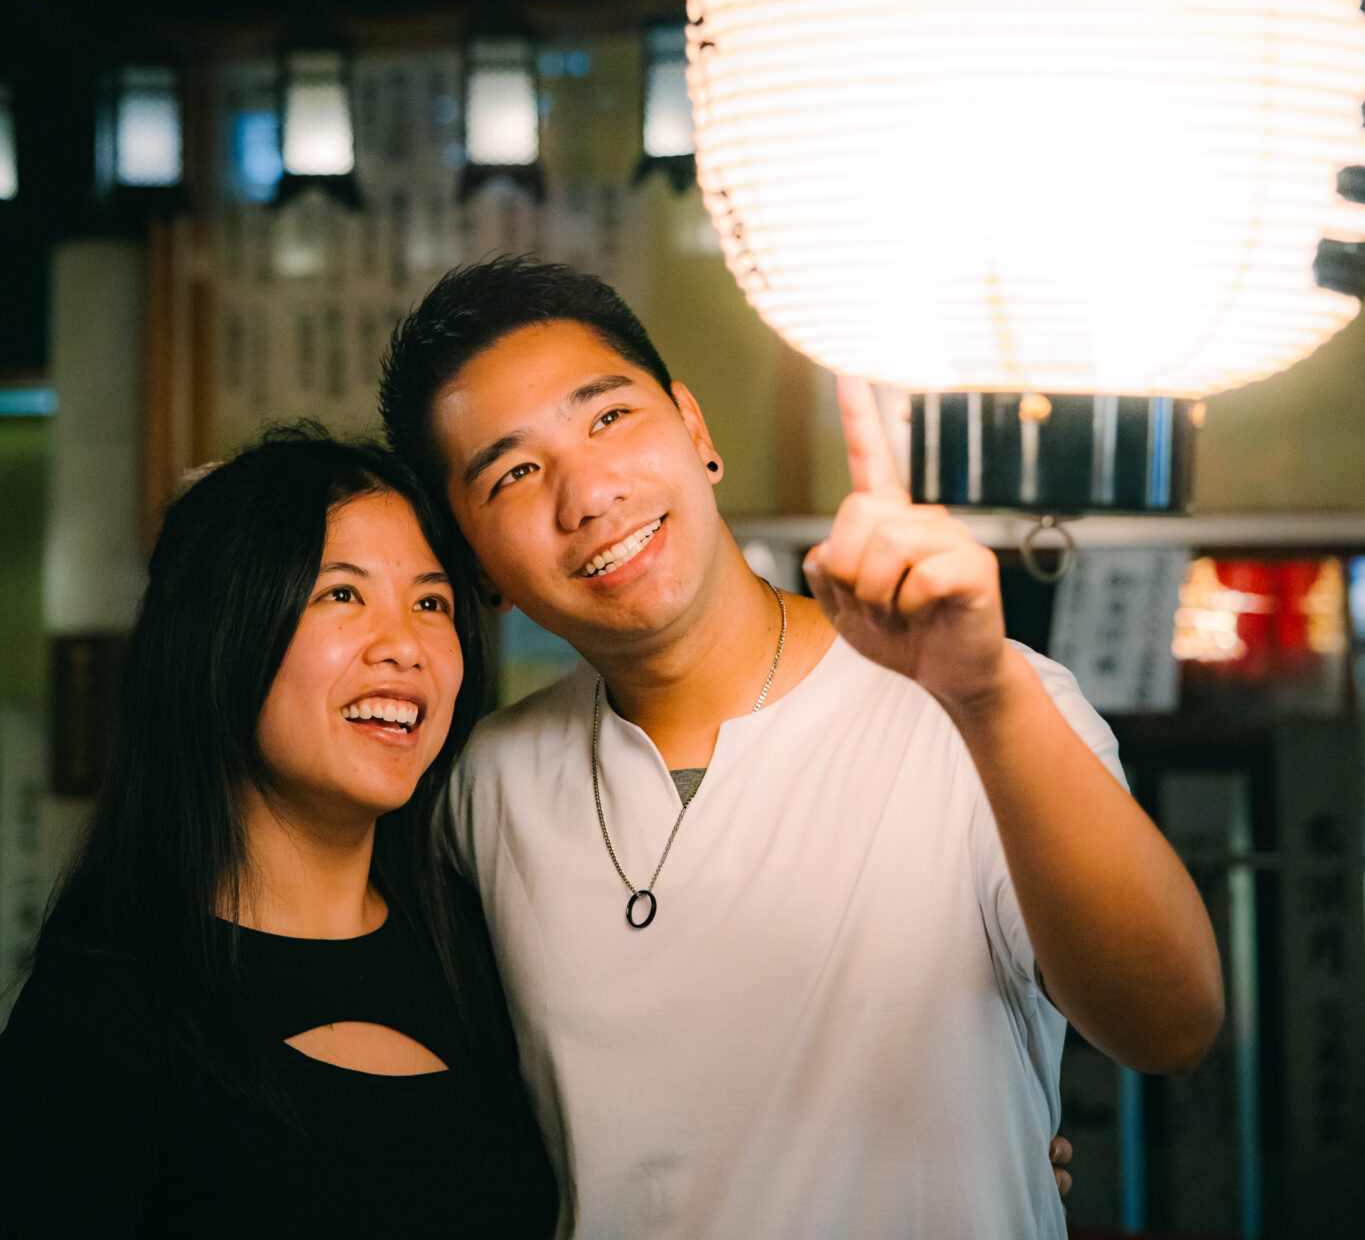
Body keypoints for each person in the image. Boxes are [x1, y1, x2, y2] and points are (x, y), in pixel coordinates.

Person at [380, 255, 1224, 1240]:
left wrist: (983, 693)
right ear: (477, 563)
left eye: (609, 416)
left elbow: (1170, 1025)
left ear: (695, 430)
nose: (588, 491)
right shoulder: (484, 786)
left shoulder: (984, 703)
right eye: (515, 472)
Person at [0, 426, 558, 1240]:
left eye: (431, 602)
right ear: (224, 636)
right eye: (342, 593)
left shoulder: (489, 952)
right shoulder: (98, 1023)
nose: (404, 646)